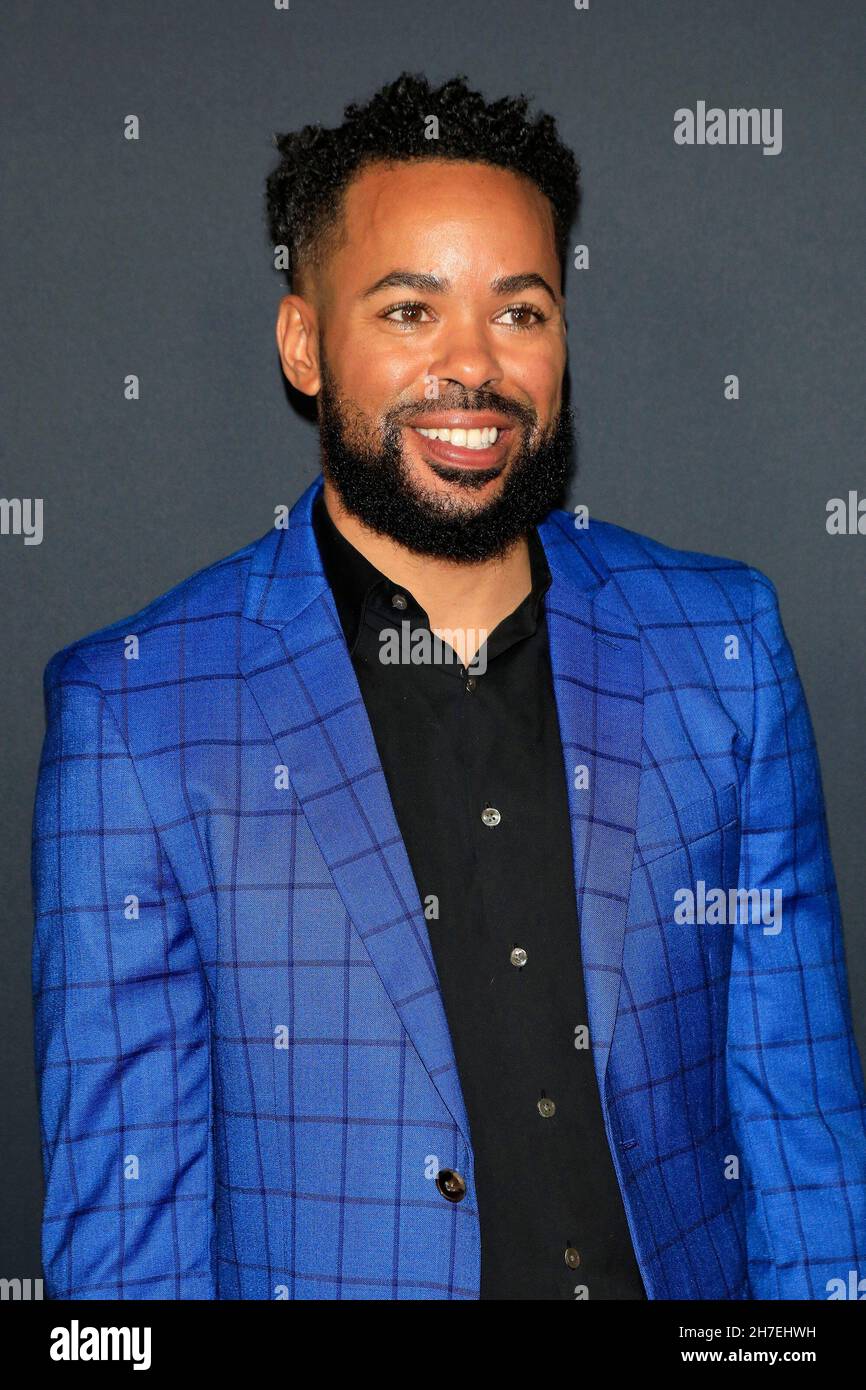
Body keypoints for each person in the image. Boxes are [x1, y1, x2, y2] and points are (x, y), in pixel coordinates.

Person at [32, 72, 866, 1300]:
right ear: (304, 345)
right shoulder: (140, 711)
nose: (472, 369)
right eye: (410, 311)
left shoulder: (719, 645)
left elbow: (802, 1144)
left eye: (518, 311)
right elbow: (125, 1250)